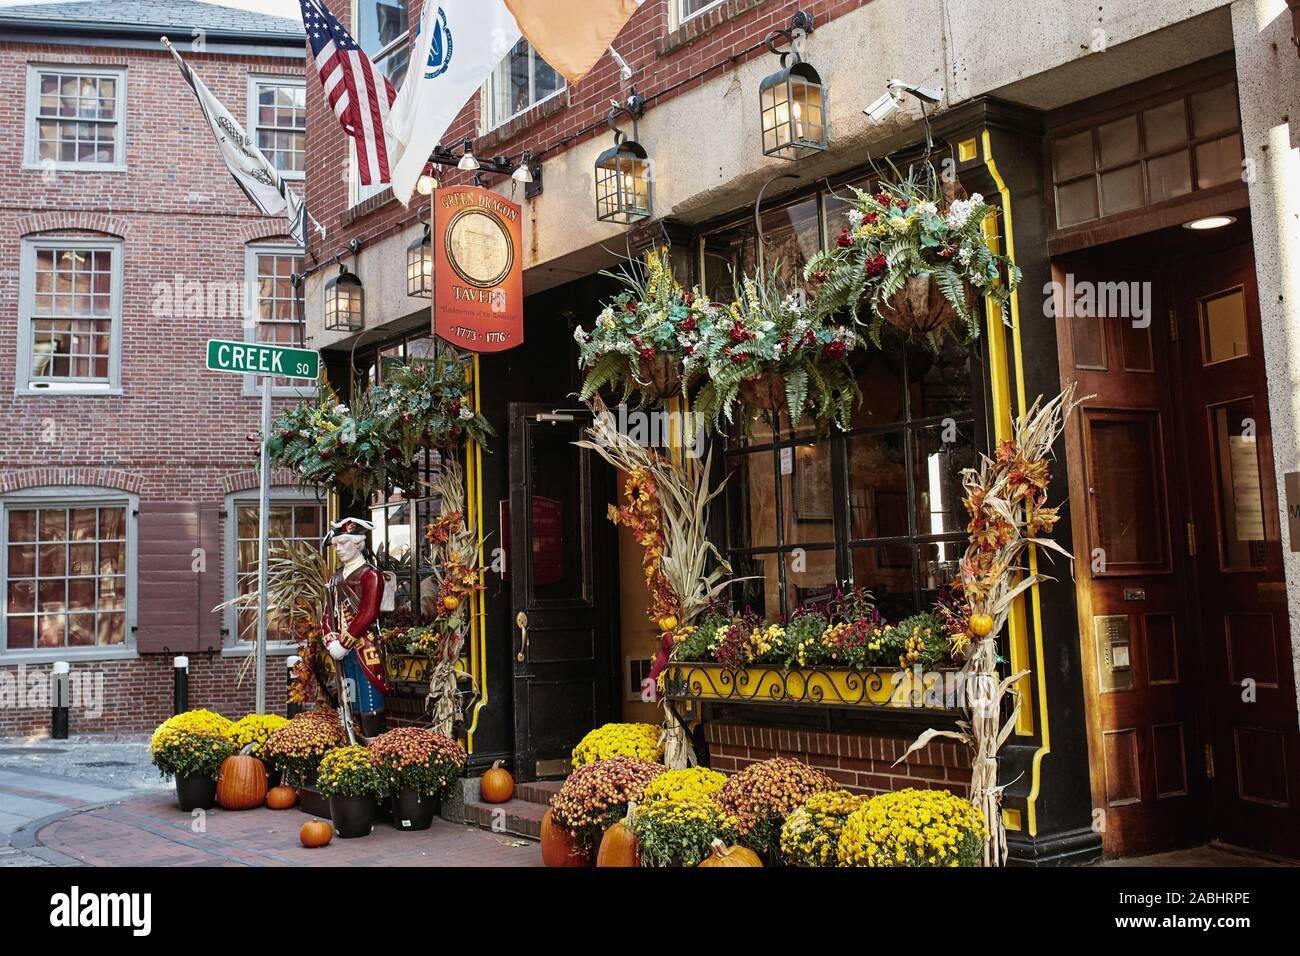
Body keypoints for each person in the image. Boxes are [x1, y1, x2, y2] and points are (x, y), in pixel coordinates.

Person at [321, 518, 392, 740]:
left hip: (364, 649)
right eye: (336, 545)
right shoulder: (335, 578)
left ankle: (373, 745)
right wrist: (331, 640)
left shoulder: (371, 575)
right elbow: (327, 614)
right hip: (342, 652)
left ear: (358, 543)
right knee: (349, 700)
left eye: (343, 543)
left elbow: (368, 613)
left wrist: (343, 643)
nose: (338, 549)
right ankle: (354, 747)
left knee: (370, 700)